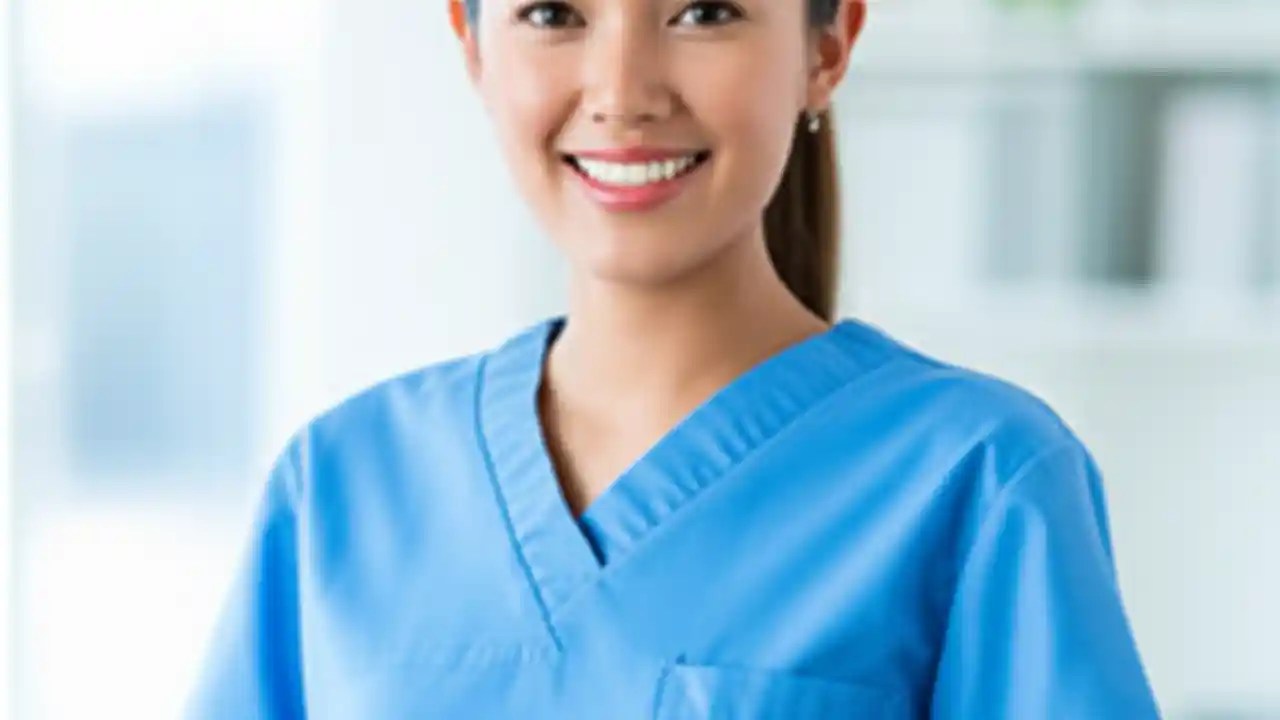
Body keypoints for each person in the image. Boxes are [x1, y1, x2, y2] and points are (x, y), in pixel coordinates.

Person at [185, 0, 1163, 717]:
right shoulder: (342, 487)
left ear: (826, 46)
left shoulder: (977, 478)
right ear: (472, 45)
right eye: (553, 14)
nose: (621, 94)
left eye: (702, 12)